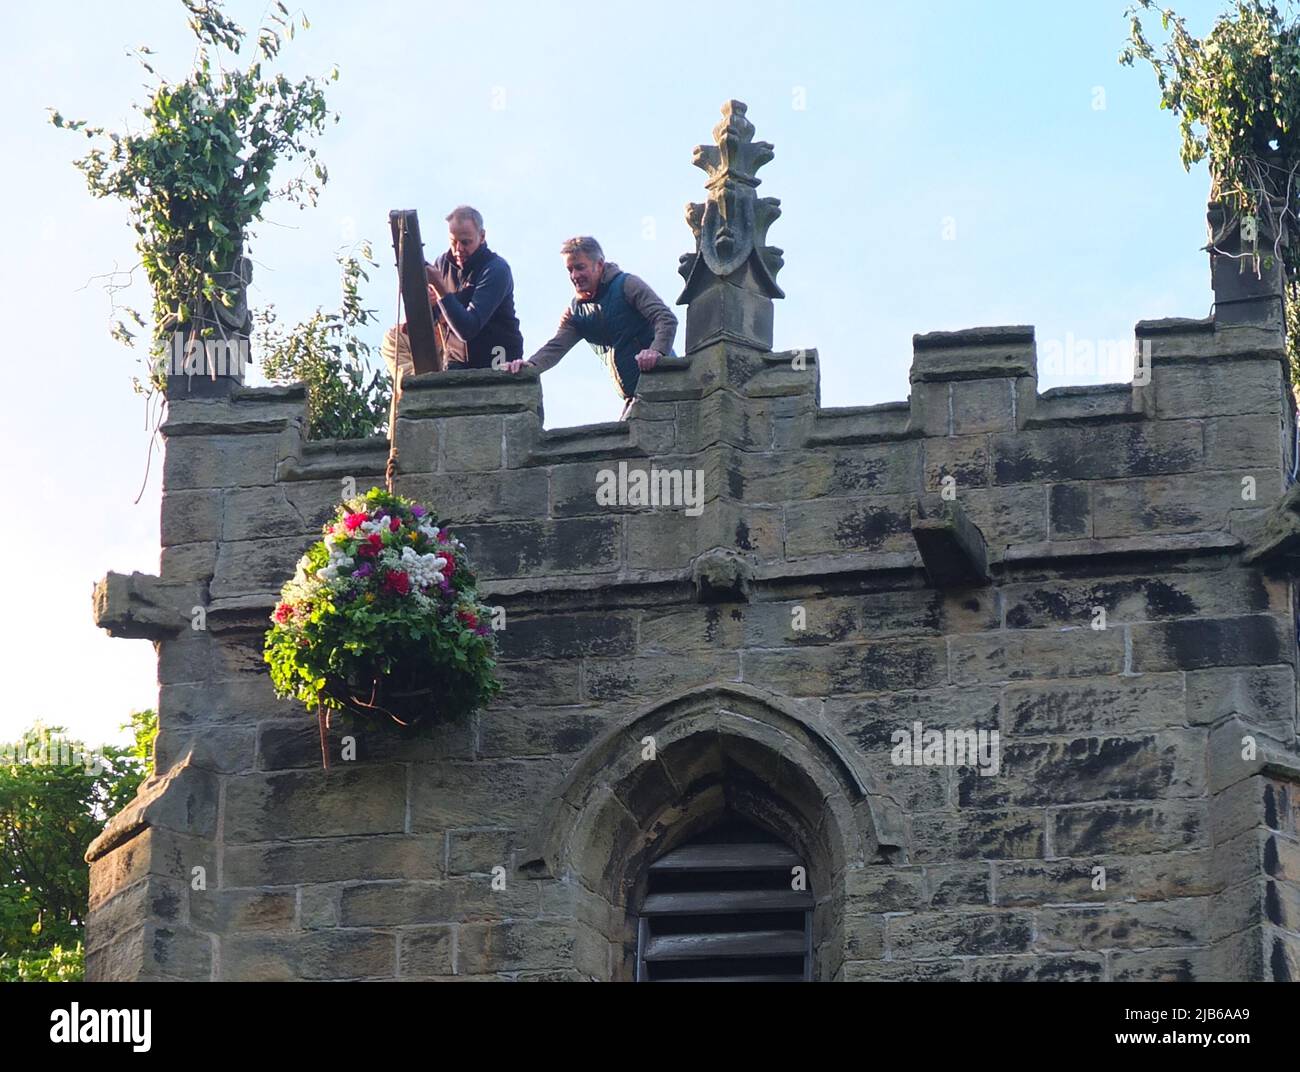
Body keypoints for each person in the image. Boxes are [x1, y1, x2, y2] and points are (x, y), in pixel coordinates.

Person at [505, 236, 677, 418]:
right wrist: (531, 365)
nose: (574, 276)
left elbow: (665, 318)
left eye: (580, 267)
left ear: (599, 265)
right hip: (634, 395)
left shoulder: (626, 285)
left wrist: (656, 351)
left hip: (663, 381)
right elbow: (556, 346)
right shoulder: (577, 312)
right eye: (570, 270)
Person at [381, 205, 524, 375]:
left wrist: (441, 291)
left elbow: (468, 328)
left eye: (465, 242)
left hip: (497, 361)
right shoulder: (443, 264)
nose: (458, 250)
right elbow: (439, 315)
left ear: (482, 236)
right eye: (453, 241)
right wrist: (427, 309)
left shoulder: (495, 270)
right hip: (457, 364)